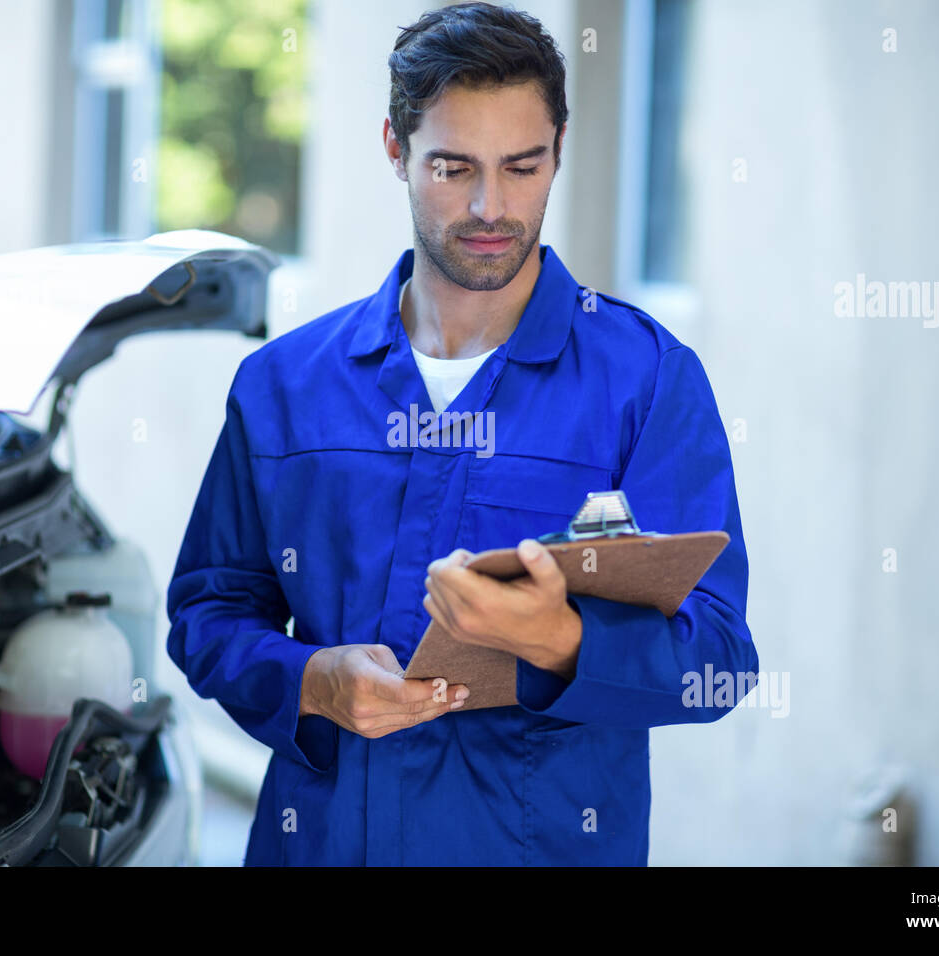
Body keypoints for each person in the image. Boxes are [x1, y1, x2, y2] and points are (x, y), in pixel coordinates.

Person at [166, 1, 758, 866]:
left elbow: (721, 659)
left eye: (523, 167)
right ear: (395, 150)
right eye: (452, 167)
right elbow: (209, 611)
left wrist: (559, 641)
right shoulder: (283, 386)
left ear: (560, 149)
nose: (491, 207)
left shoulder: (648, 381)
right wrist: (310, 683)